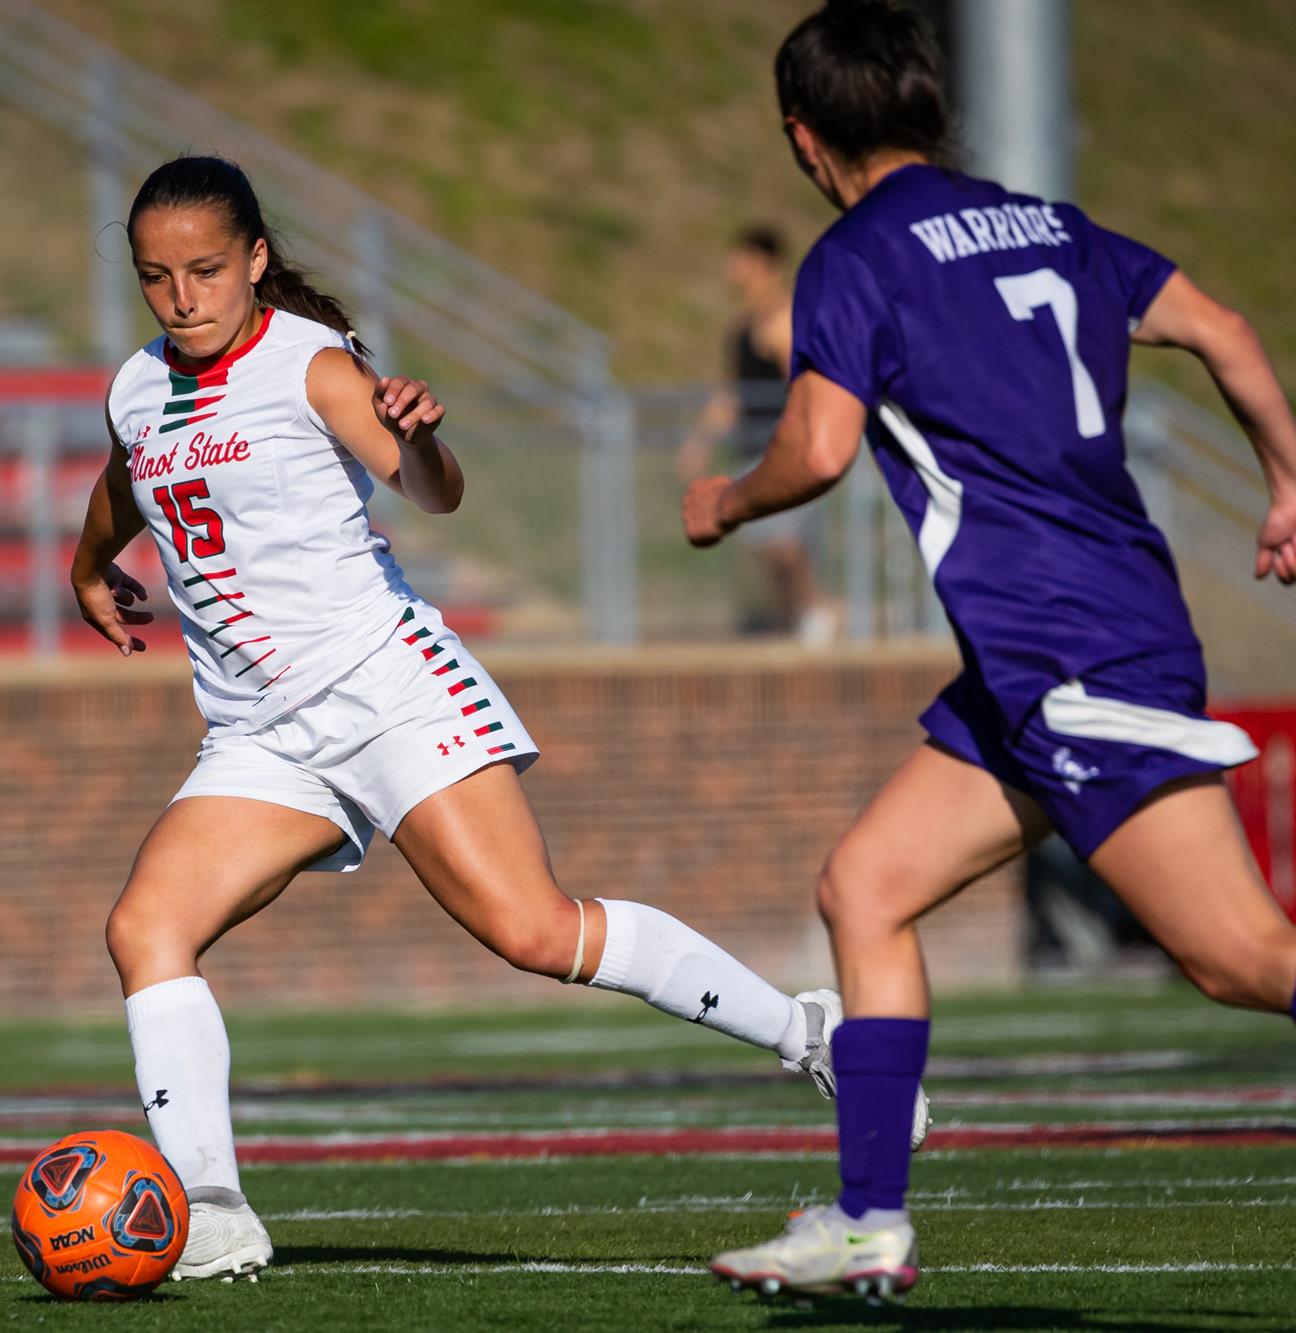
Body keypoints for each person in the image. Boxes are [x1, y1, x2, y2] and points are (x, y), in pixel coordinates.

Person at [72, 154, 925, 1283]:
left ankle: (807, 1032)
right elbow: (131, 472)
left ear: (257, 260)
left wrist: (415, 434)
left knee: (532, 932)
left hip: (384, 687)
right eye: (156, 276)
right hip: (259, 733)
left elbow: (435, 491)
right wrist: (88, 566)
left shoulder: (312, 368)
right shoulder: (137, 383)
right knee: (145, 929)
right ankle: (216, 1209)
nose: (182, 297)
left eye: (206, 270)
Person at [685, 0, 1296, 1300]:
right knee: (867, 886)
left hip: (1074, 655)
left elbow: (821, 448)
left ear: (805, 139)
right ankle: (866, 1221)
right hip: (1046, 657)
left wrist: (727, 500)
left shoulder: (855, 259)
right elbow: (1230, 332)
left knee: (1241, 958)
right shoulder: (1052, 224)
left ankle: (864, 1217)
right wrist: (1287, 481)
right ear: (926, 104)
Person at [676, 226, 833, 644]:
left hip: (778, 447)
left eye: (741, 258)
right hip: (749, 446)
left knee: (785, 542)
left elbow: (801, 385)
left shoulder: (781, 319)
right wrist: (700, 442)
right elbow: (731, 394)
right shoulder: (741, 324)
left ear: (765, 263)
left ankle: (817, 610)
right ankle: (790, 621)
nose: (733, 268)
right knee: (764, 546)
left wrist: (800, 437)